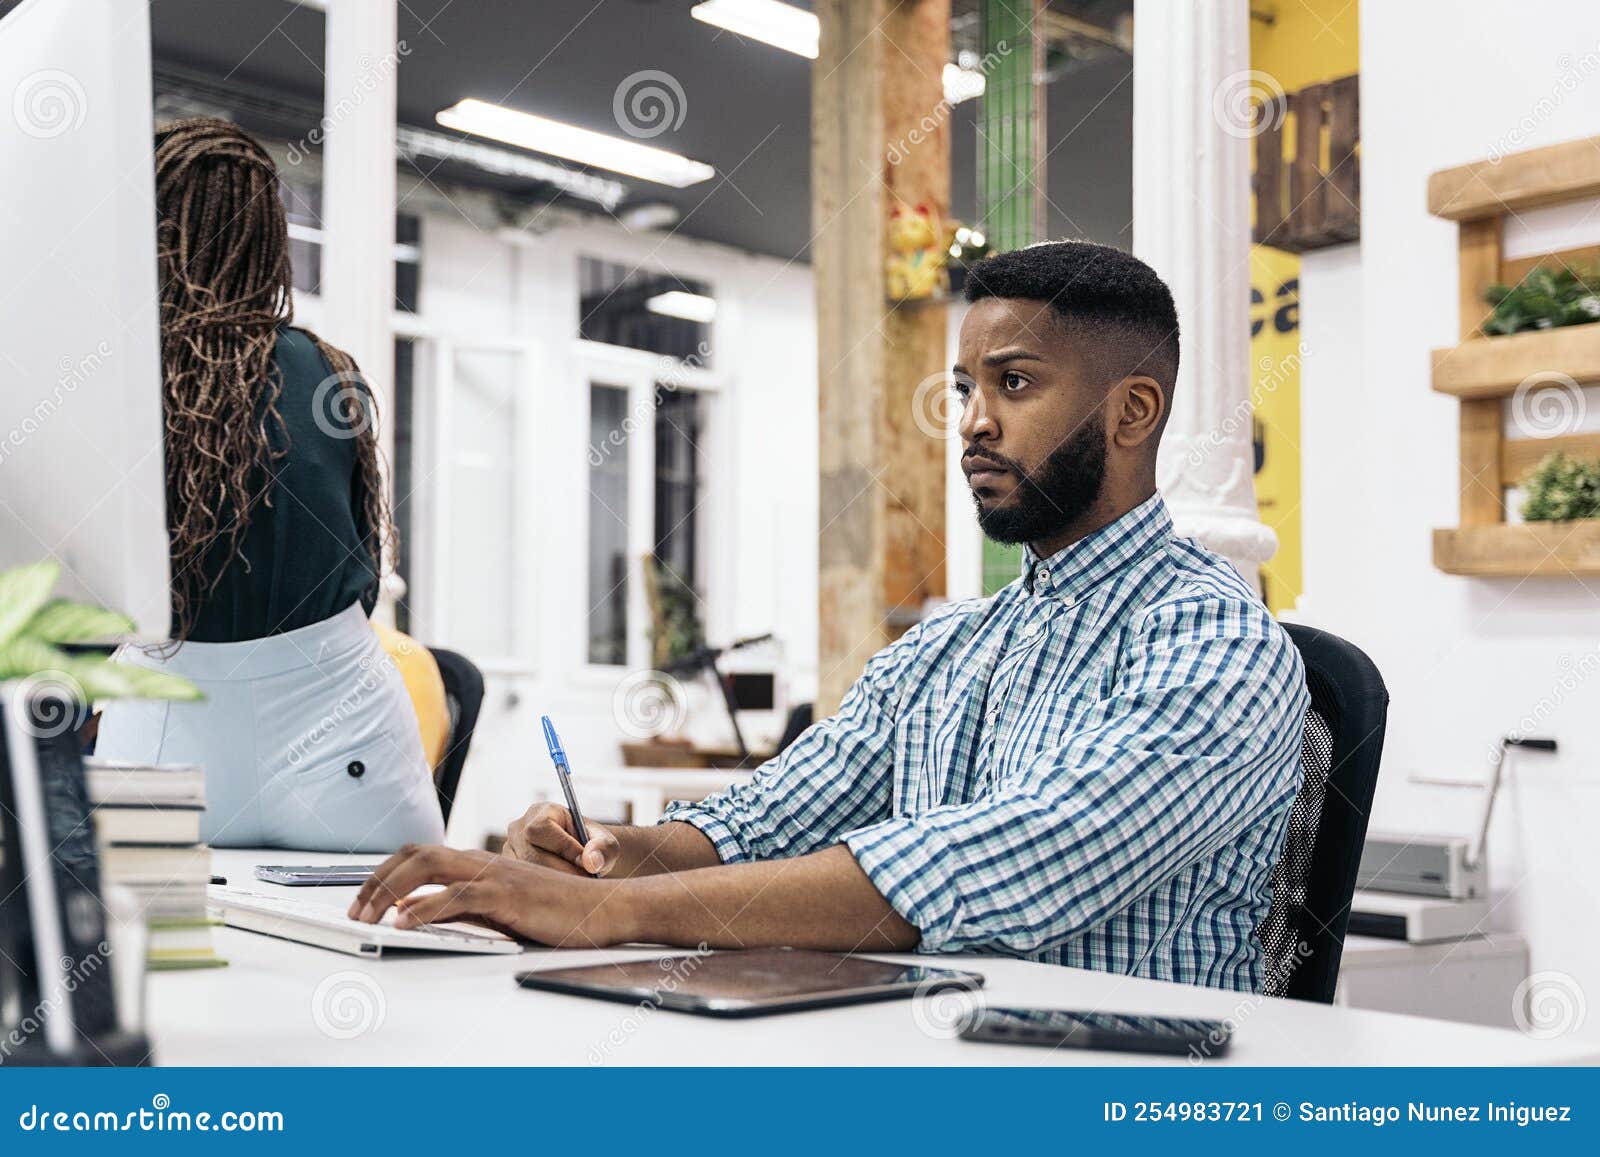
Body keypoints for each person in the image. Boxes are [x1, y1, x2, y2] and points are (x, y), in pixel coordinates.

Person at [350, 241, 1307, 994]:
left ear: (1131, 412)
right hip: (932, 1064)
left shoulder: (1217, 649)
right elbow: (762, 821)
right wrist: (600, 856)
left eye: (1013, 384)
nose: (972, 421)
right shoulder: (949, 648)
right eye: (968, 388)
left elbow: (993, 864)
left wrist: (608, 915)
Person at [95, 118, 444, 853]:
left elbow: (83, 583)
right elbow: (363, 567)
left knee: (149, 959)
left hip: (163, 737)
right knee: (398, 952)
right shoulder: (325, 370)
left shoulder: (118, 380)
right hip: (343, 738)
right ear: (269, 237)